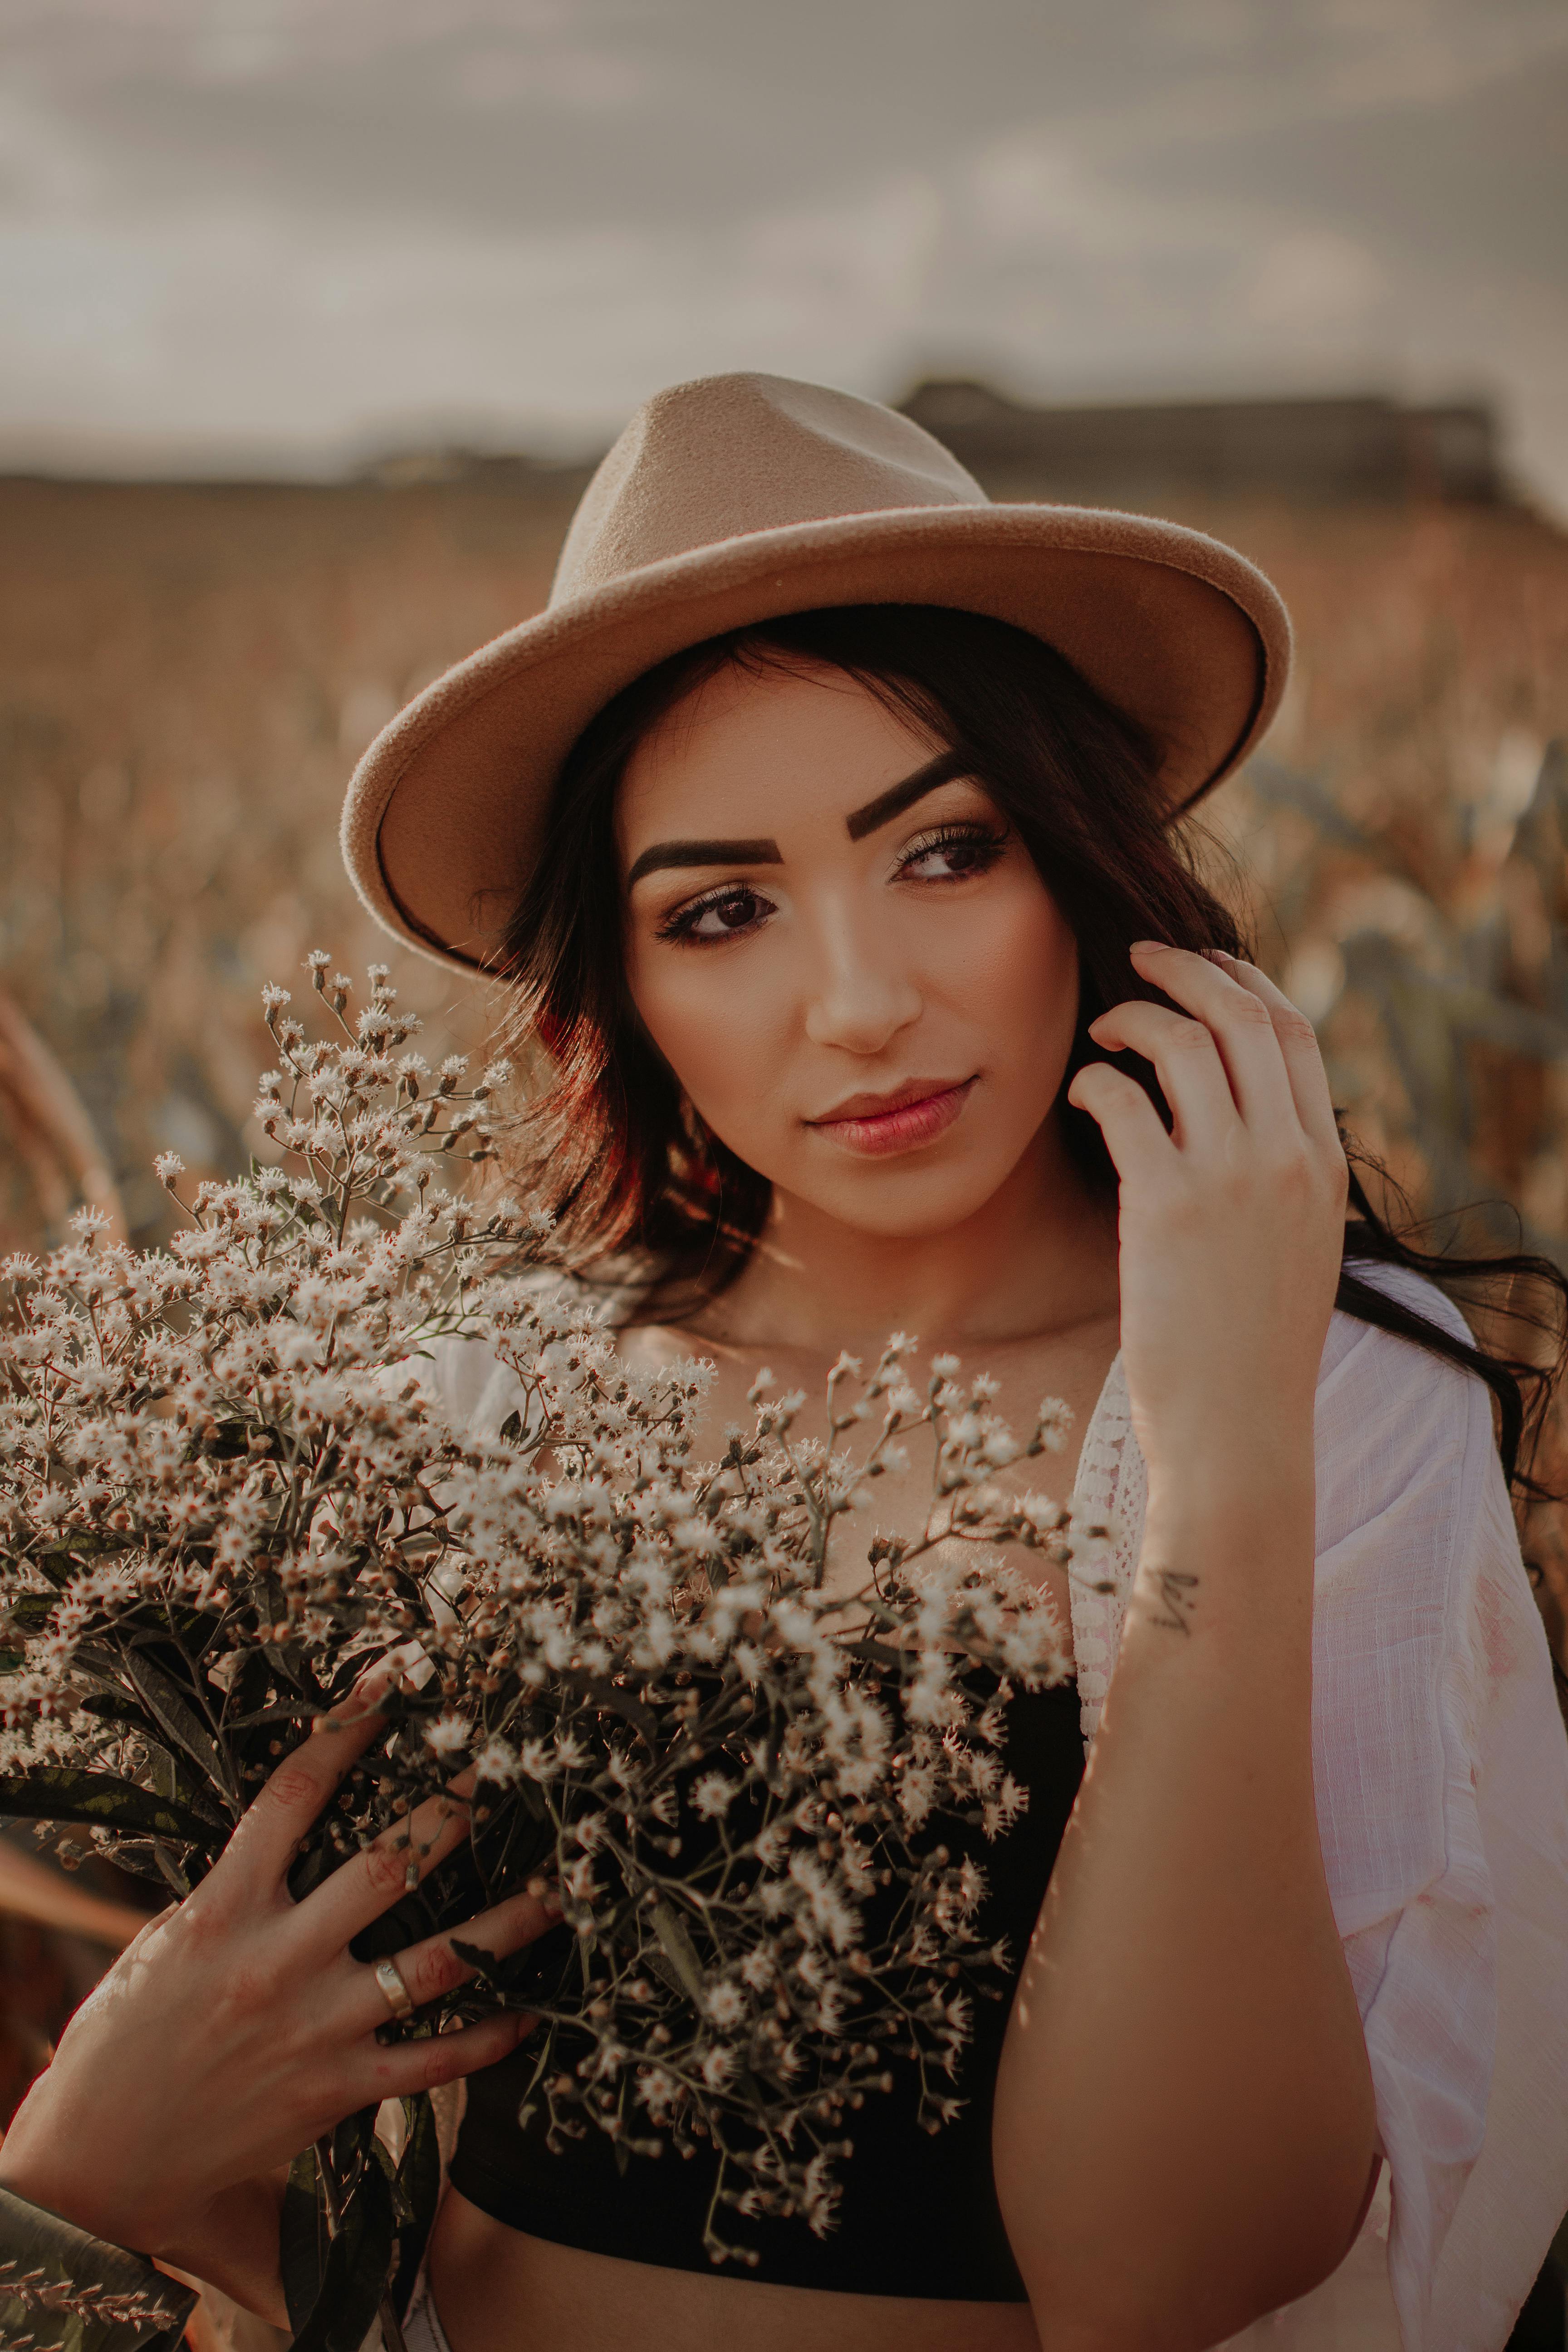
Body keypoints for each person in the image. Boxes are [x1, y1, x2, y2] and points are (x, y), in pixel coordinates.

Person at [4, 373, 1567, 2352]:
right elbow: (325, 2211)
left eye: (945, 852)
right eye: (724, 908)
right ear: (626, 991)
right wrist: (91, 2163)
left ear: (1078, 861)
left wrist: (1220, 1450)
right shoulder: (471, 1413)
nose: (860, 1003)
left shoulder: (1339, 1397)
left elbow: (1156, 2279)